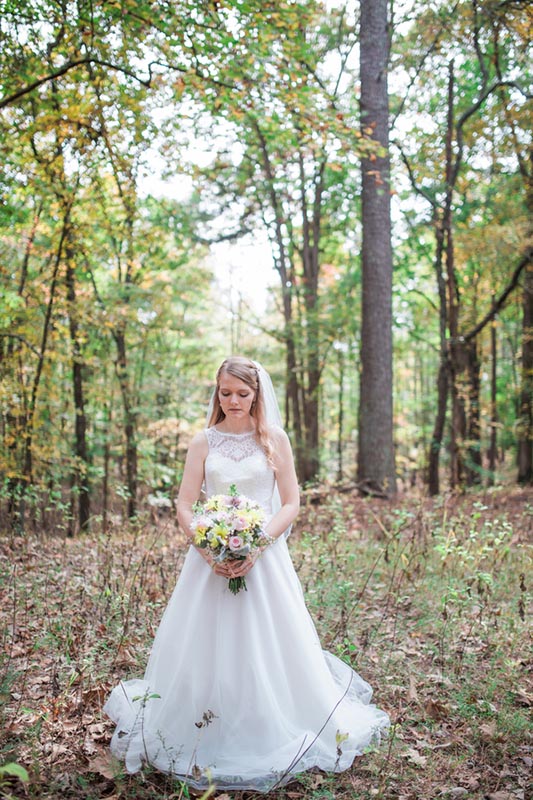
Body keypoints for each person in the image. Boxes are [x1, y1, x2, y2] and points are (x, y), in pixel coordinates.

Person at [104, 356, 390, 792]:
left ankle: (269, 718)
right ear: (216, 393)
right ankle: (202, 722)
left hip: (264, 559)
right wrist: (206, 548)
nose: (233, 401)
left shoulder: (274, 439)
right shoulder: (204, 442)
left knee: (267, 643)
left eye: (242, 393)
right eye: (225, 392)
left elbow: (292, 501)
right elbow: (184, 503)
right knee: (206, 644)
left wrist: (257, 544)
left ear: (256, 394)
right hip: (210, 561)